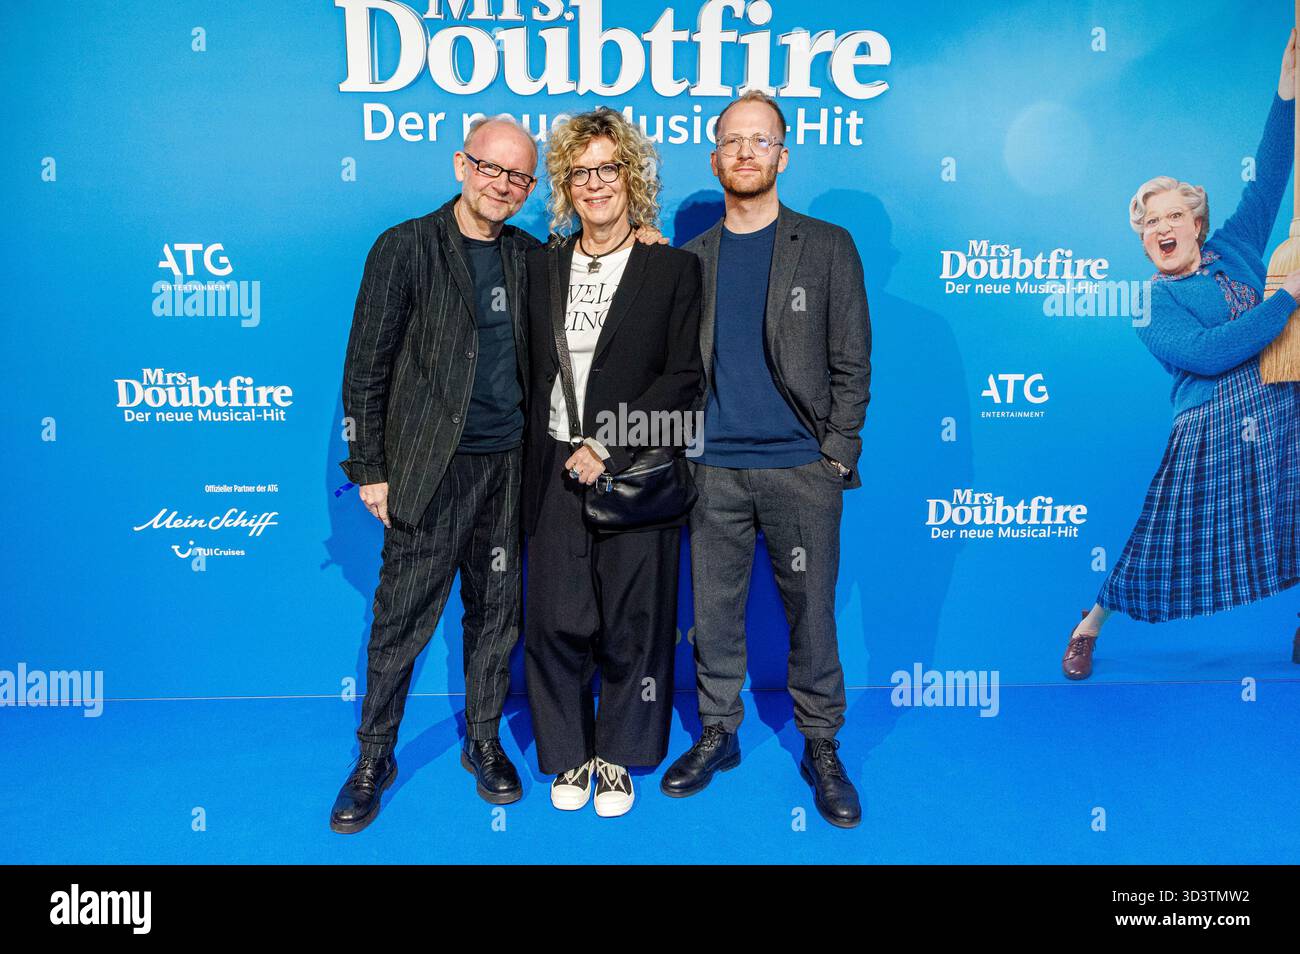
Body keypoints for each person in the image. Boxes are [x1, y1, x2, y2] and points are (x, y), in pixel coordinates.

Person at [661, 91, 872, 829]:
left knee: (811, 616)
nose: (746, 153)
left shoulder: (828, 246)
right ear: (714, 155)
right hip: (711, 472)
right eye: (732, 141)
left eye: (762, 140)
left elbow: (852, 361)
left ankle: (822, 746)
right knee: (712, 614)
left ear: (783, 154)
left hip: (800, 473)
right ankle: (719, 733)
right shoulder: (691, 261)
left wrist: (834, 460)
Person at [1062, 29, 1300, 680]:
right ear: (1143, 241)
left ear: (1197, 222)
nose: (1162, 228)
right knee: (1159, 546)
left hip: (1281, 403)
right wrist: (1287, 302)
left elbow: (1273, 168)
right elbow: (1212, 353)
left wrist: (1286, 92)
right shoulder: (1150, 304)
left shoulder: (1239, 245)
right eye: (1148, 224)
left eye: (1172, 216)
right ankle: (1093, 618)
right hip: (1210, 430)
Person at [330, 117, 542, 833]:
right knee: (400, 622)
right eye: (491, 168)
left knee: (496, 614)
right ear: (462, 163)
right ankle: (374, 757)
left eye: (518, 177)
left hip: (509, 467)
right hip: (427, 471)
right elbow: (366, 368)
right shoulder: (404, 247)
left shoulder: (530, 256)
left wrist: (643, 243)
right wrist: (370, 469)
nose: (503, 185)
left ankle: (483, 742)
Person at [522, 107, 703, 818]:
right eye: (580, 171)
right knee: (557, 620)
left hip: (634, 473)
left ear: (633, 177)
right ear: (566, 185)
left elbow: (684, 379)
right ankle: (568, 753)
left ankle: (620, 756)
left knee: (636, 622)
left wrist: (609, 442)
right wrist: (573, 448)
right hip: (554, 472)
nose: (595, 184)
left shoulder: (671, 269)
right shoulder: (540, 269)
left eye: (609, 168)